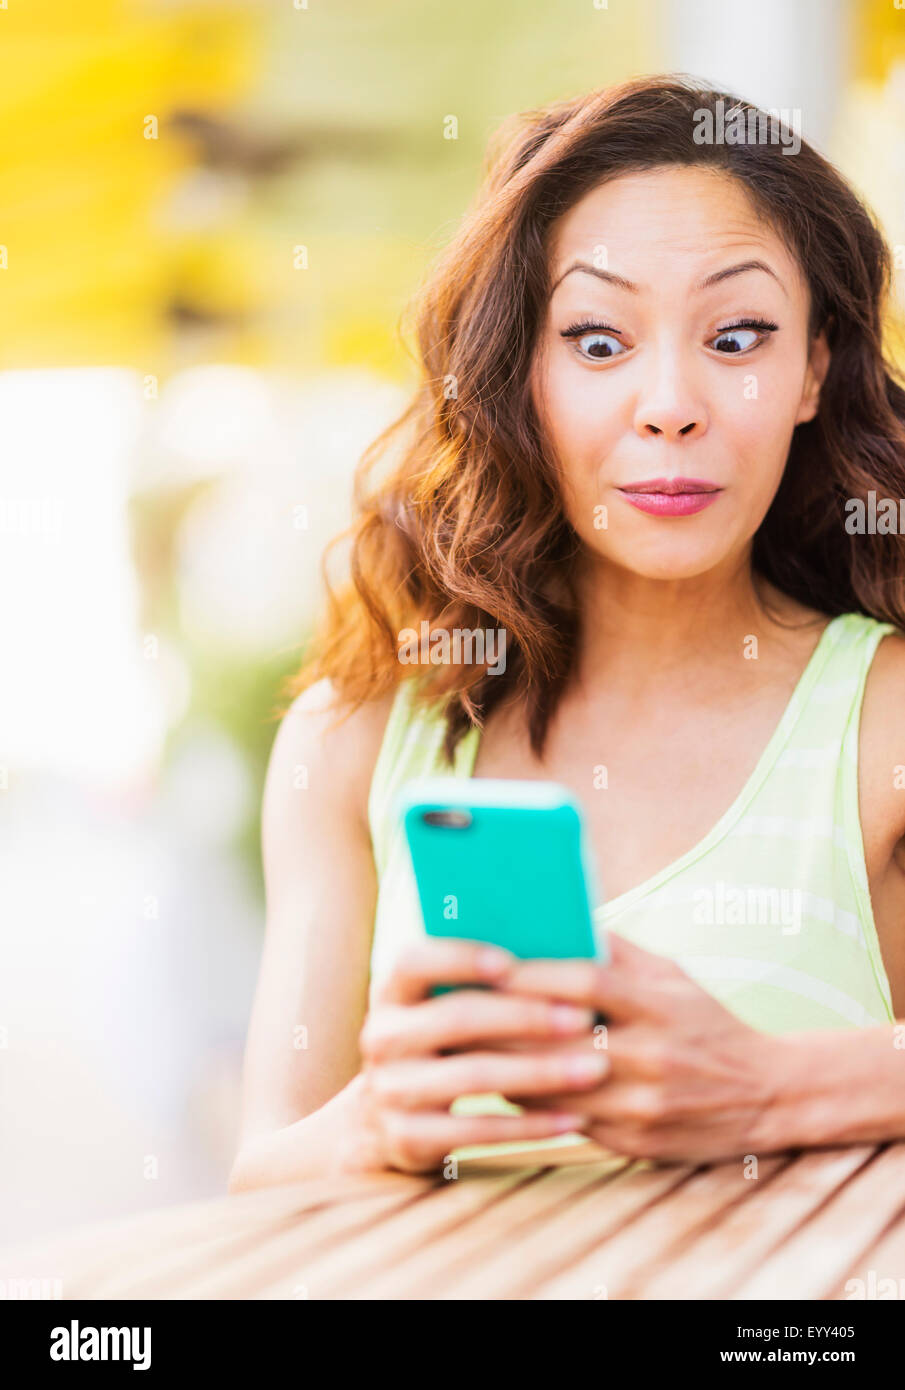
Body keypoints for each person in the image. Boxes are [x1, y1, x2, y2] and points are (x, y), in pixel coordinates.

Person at [228, 76, 905, 1188]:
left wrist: (766, 1088)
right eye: (596, 341)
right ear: (517, 376)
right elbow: (262, 1175)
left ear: (810, 371)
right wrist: (373, 1128)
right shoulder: (351, 741)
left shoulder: (879, 721)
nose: (670, 402)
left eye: (736, 336)